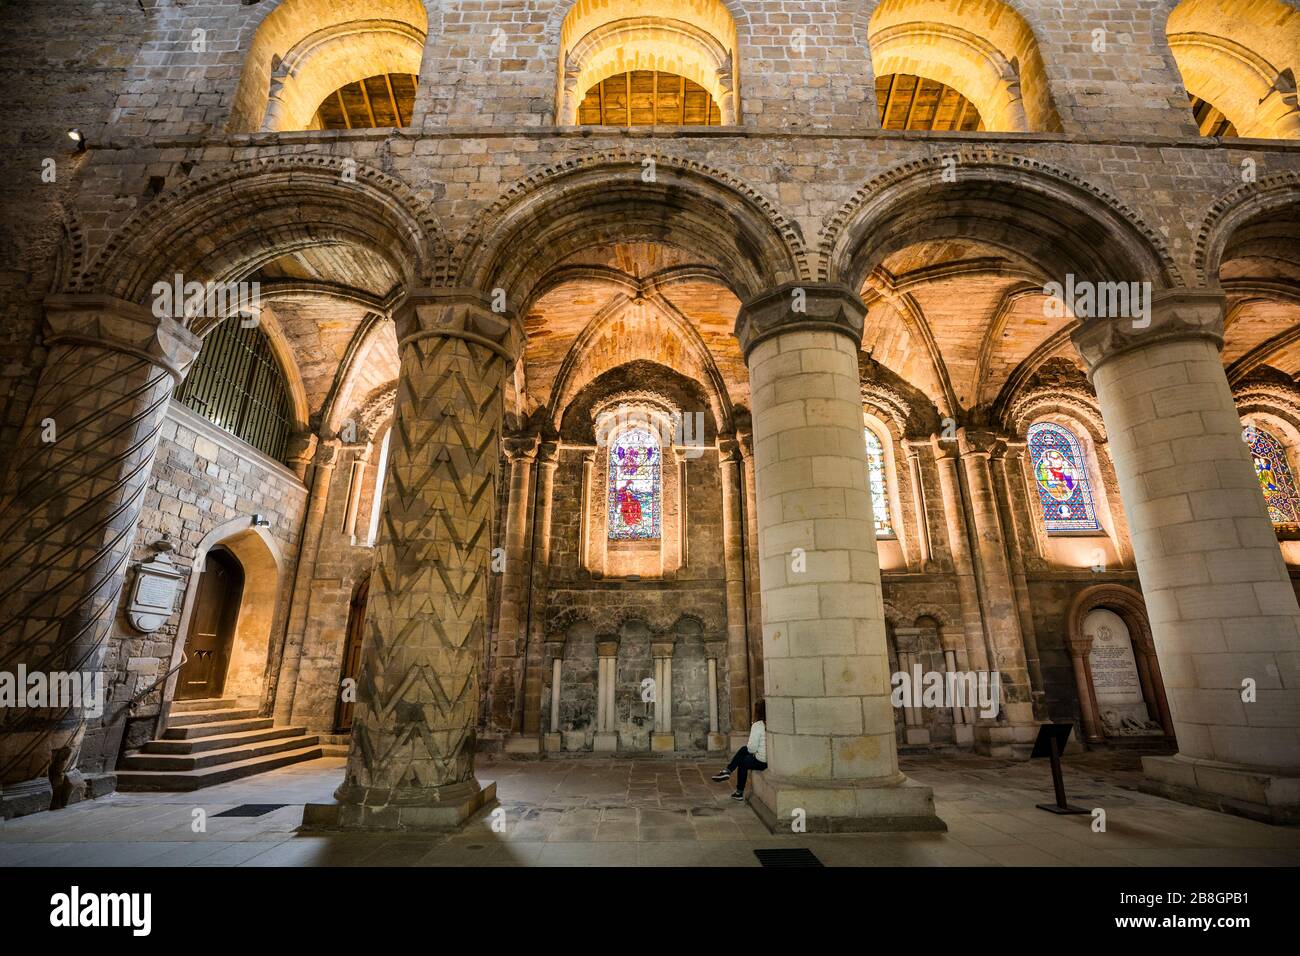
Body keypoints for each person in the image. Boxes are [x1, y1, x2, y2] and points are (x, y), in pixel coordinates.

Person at [711, 700, 766, 801]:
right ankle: (727, 772)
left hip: (762, 761)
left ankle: (738, 790)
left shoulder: (758, 725)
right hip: (770, 759)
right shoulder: (771, 724)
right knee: (743, 750)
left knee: (742, 761)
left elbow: (752, 748)